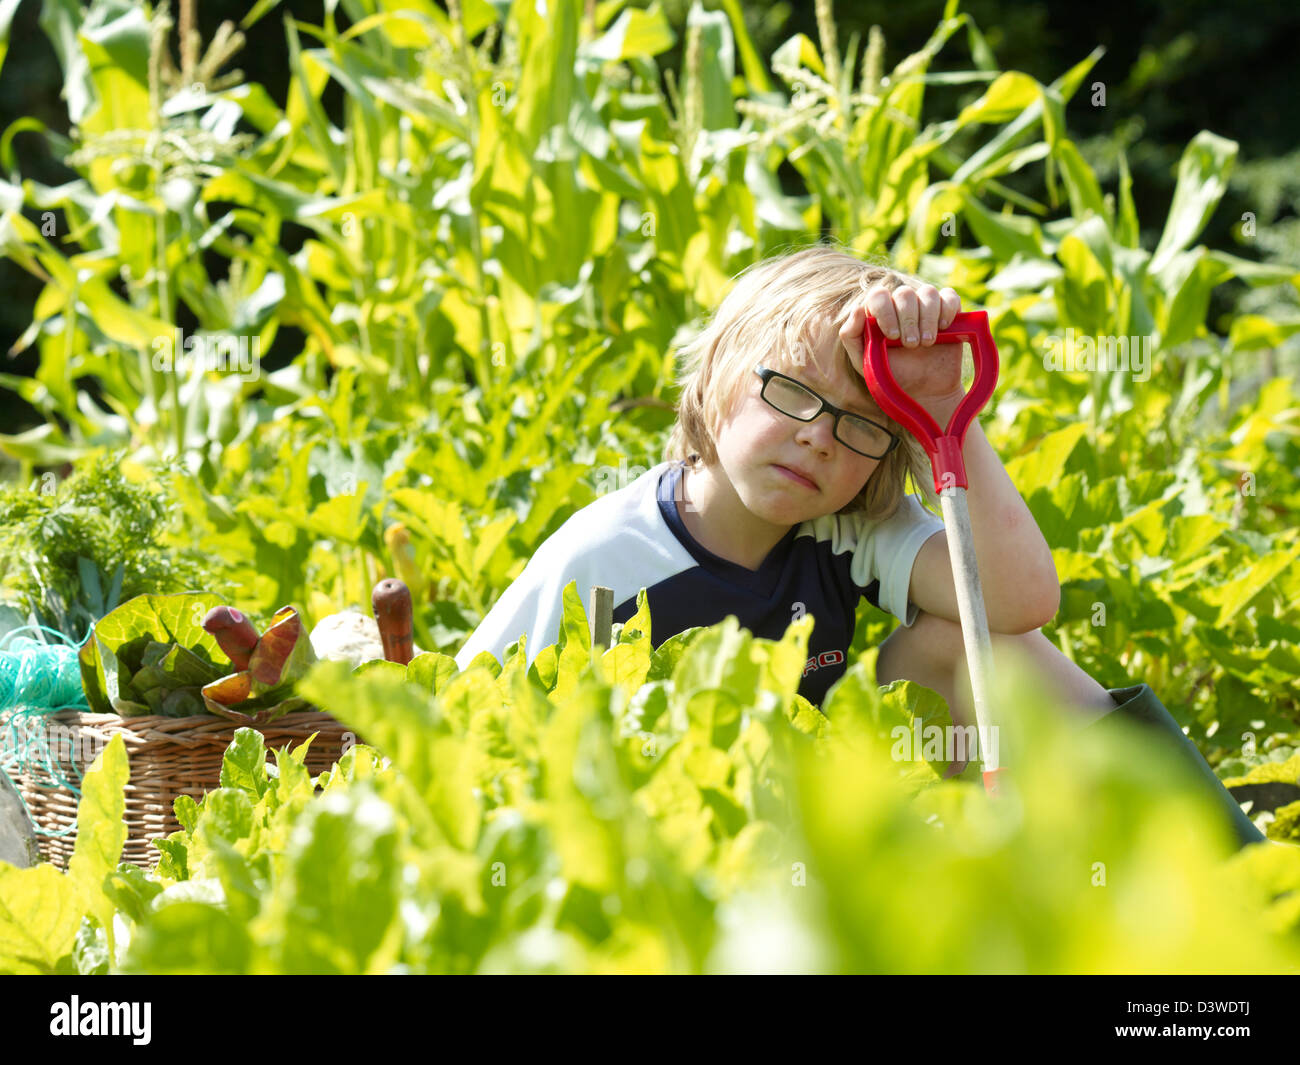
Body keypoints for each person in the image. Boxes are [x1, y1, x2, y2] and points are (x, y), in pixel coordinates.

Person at [455, 243, 1264, 848]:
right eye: (794, 394)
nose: (818, 440)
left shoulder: (846, 530)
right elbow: (464, 721)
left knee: (966, 641)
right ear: (718, 379)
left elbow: (1017, 600)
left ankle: (1213, 865)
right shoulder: (600, 561)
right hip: (657, 855)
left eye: (863, 425)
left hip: (811, 836)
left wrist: (944, 408)